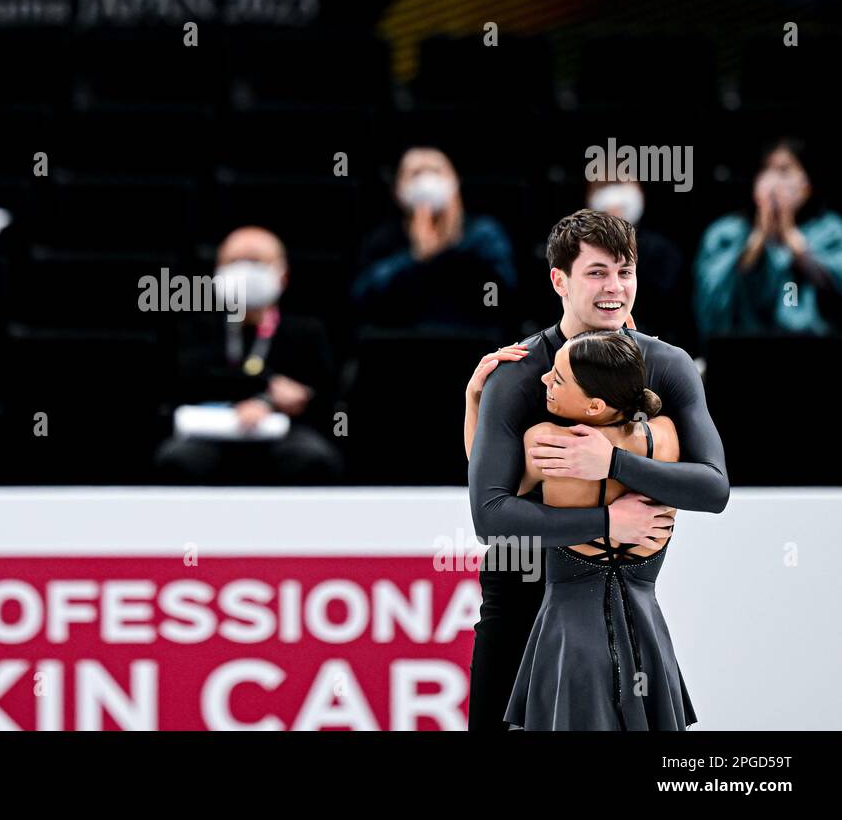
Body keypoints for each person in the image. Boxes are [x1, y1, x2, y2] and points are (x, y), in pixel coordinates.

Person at [462, 208, 728, 731]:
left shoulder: (667, 364)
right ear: (560, 280)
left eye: (624, 271)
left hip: (623, 594)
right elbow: (489, 516)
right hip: (522, 591)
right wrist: (608, 523)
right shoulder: (521, 375)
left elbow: (714, 489)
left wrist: (613, 461)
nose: (615, 287)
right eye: (597, 272)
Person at [504, 331, 695, 730]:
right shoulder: (664, 438)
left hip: (570, 643)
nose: (544, 381)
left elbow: (490, 495)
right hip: (648, 639)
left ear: (593, 405)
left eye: (557, 378)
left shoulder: (545, 443)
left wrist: (474, 401)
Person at [155, 226, 343, 484]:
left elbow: (328, 397)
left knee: (312, 457)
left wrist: (292, 399)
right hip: (211, 427)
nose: (245, 270)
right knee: (178, 458)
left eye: (256, 262)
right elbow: (181, 386)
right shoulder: (195, 328)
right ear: (218, 272)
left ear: (283, 274)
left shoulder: (306, 332)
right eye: (234, 262)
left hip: (283, 428)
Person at [353, 146, 516, 332]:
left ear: (455, 182)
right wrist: (417, 257)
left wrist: (450, 247)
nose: (427, 181)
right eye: (416, 174)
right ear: (398, 189)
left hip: (473, 342)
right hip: (402, 341)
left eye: (436, 172)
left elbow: (500, 297)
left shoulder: (484, 233)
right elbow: (364, 297)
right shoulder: (383, 237)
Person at [694, 138, 842, 338]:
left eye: (784, 170)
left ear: (806, 182)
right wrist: (759, 237)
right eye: (766, 170)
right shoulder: (725, 234)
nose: (774, 182)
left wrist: (789, 236)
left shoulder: (832, 230)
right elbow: (710, 305)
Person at [585, 169, 689, 348]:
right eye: (607, 187)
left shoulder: (661, 250)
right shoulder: (581, 250)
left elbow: (671, 308)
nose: (614, 197)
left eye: (621, 186)